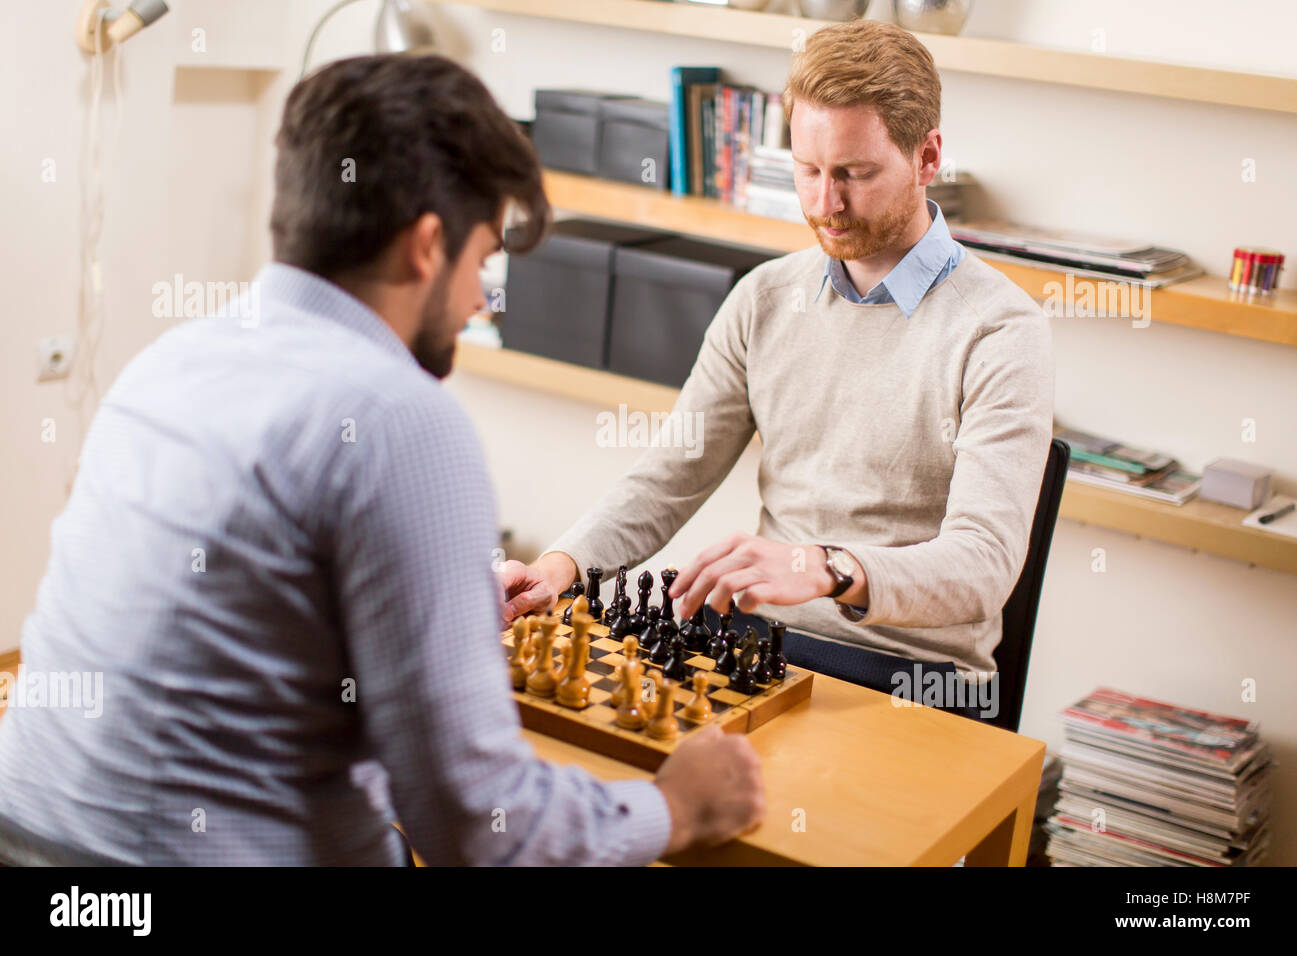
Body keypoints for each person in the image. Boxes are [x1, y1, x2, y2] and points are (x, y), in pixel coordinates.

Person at [0, 54, 763, 866]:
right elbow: (476, 826)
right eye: (483, 264)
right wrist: (671, 808)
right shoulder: (398, 418)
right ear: (428, 246)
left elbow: (239, 613)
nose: (480, 301)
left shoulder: (170, 361)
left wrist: (443, 601)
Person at [522, 20, 1054, 719]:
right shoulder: (765, 298)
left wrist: (822, 567)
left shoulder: (1002, 330)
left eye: (855, 175)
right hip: (761, 645)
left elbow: (983, 567)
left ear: (927, 158)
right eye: (808, 171)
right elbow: (667, 478)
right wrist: (554, 572)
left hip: (913, 675)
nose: (825, 204)